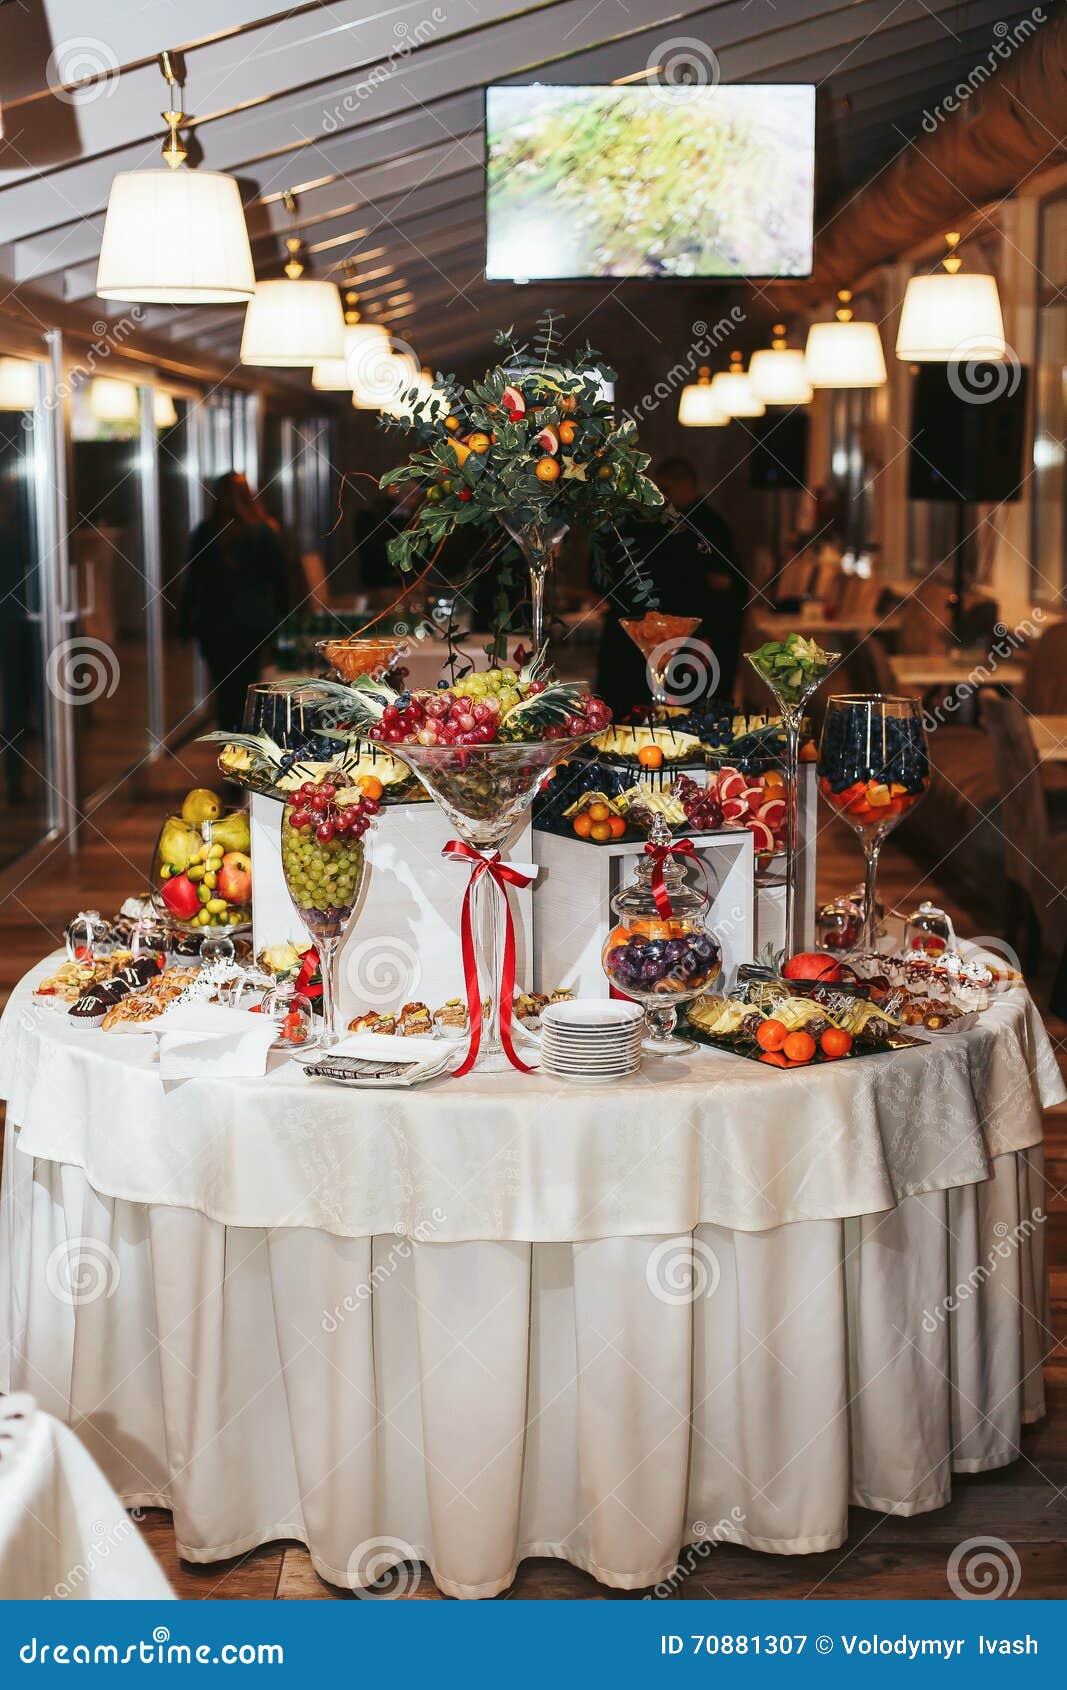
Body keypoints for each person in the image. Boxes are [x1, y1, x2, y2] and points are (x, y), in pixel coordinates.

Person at [595, 457, 746, 716]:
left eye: (664, 488)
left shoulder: (708, 525)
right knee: (634, 709)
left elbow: (728, 590)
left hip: (690, 642)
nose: (657, 496)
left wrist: (705, 641)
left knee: (685, 716)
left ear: (685, 486)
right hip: (642, 638)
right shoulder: (651, 522)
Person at [180, 472, 290, 731]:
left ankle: (228, 741)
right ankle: (243, 740)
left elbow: (192, 584)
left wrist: (184, 625)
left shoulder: (205, 532)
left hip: (213, 624)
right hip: (252, 623)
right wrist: (282, 623)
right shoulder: (263, 531)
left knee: (223, 688)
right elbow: (281, 581)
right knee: (248, 685)